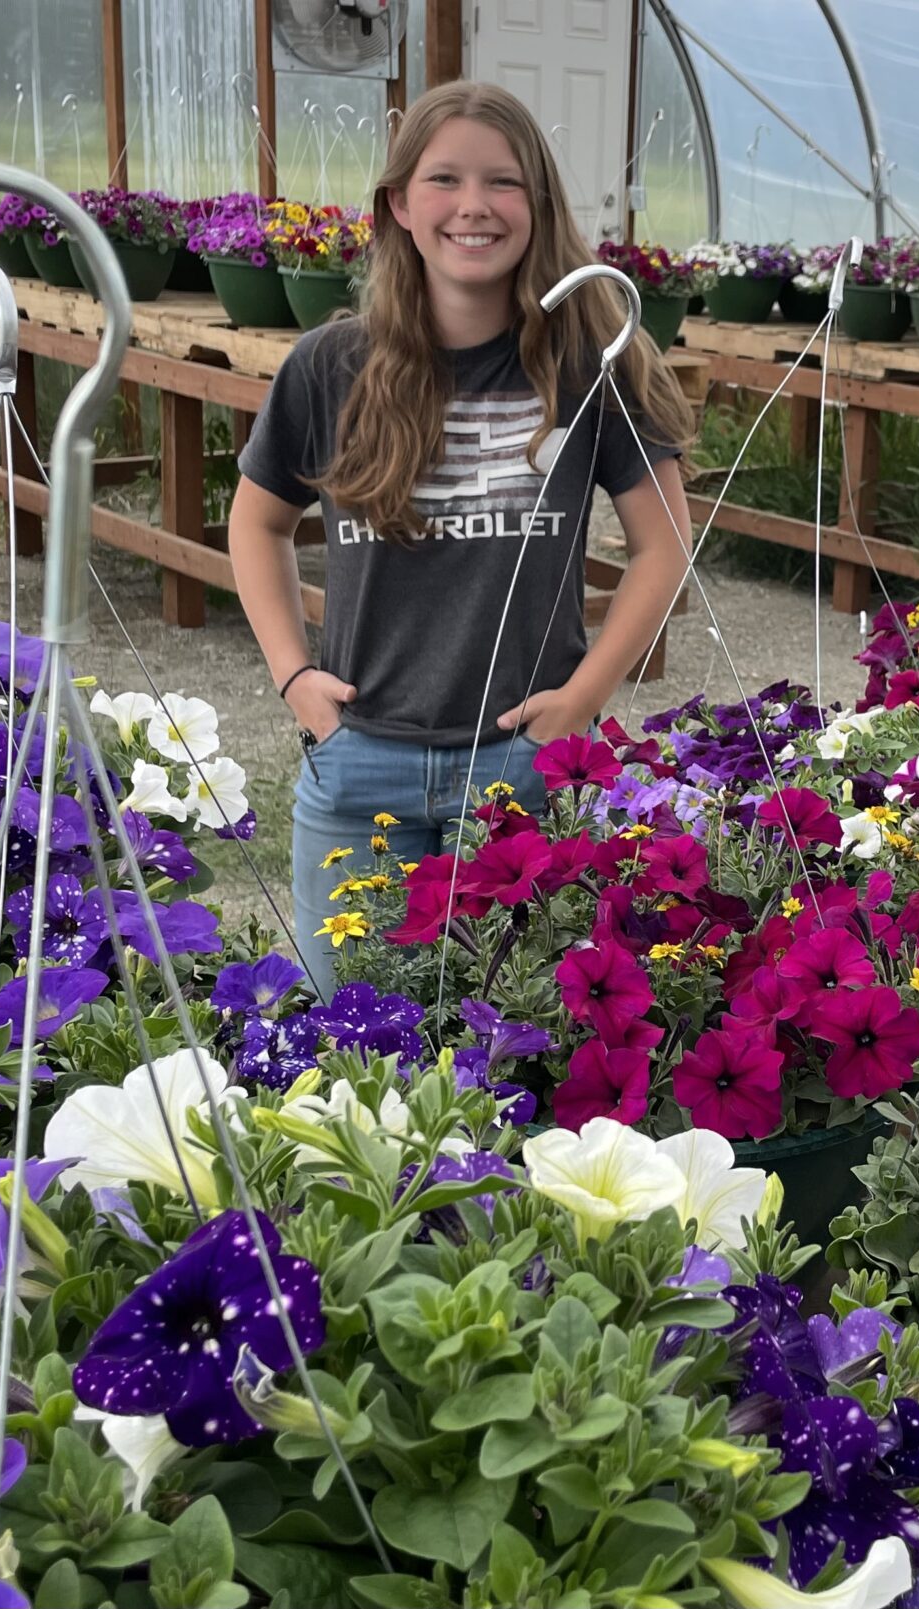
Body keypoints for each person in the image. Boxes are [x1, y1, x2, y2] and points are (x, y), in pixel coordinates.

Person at [230, 81, 693, 993]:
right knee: (361, 1051)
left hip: (524, 762)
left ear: (541, 207)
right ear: (400, 205)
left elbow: (664, 546)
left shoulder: (588, 363)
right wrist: (295, 678)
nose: (474, 206)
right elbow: (259, 519)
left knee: (522, 1052)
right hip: (360, 763)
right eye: (443, 179)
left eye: (504, 182)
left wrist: (583, 697)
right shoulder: (331, 367)